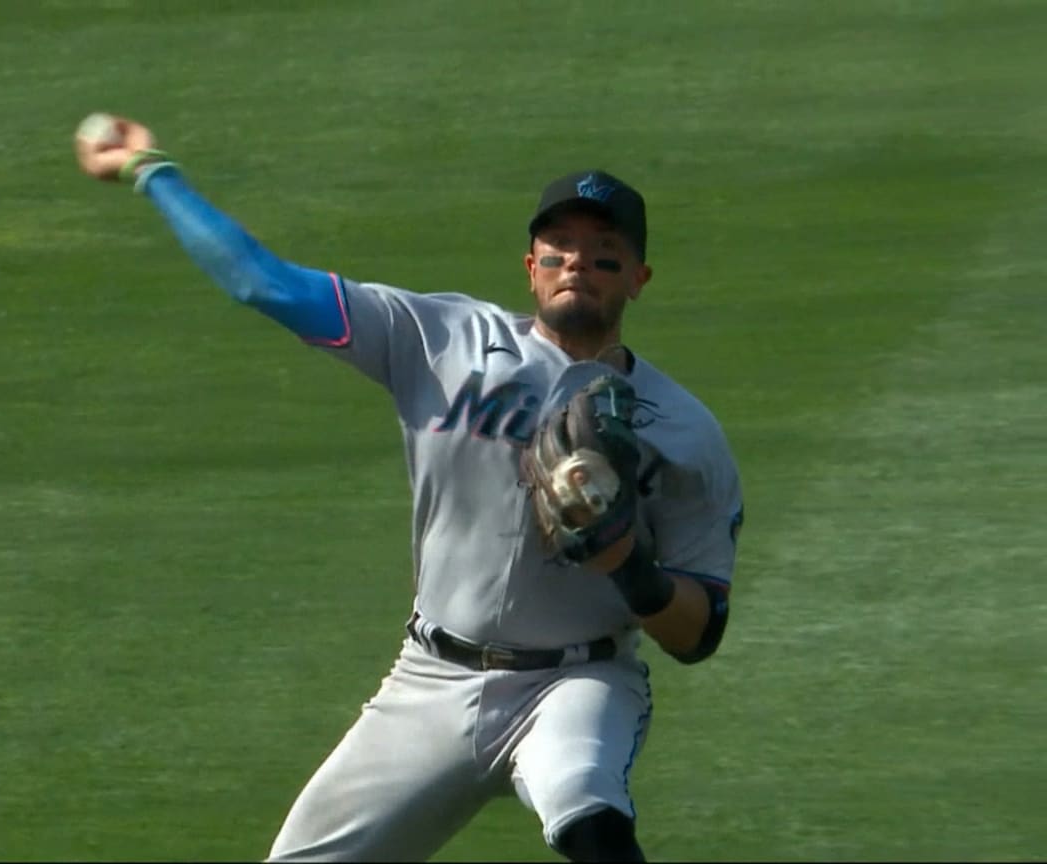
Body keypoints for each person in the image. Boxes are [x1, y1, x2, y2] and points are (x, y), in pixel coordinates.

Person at [73, 114, 744, 863]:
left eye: (604, 257)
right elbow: (258, 281)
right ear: (530, 267)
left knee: (587, 808)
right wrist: (151, 168)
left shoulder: (685, 433)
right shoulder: (437, 337)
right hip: (429, 680)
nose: (576, 266)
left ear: (639, 280)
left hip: (576, 684)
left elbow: (699, 632)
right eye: (558, 252)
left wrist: (629, 565)